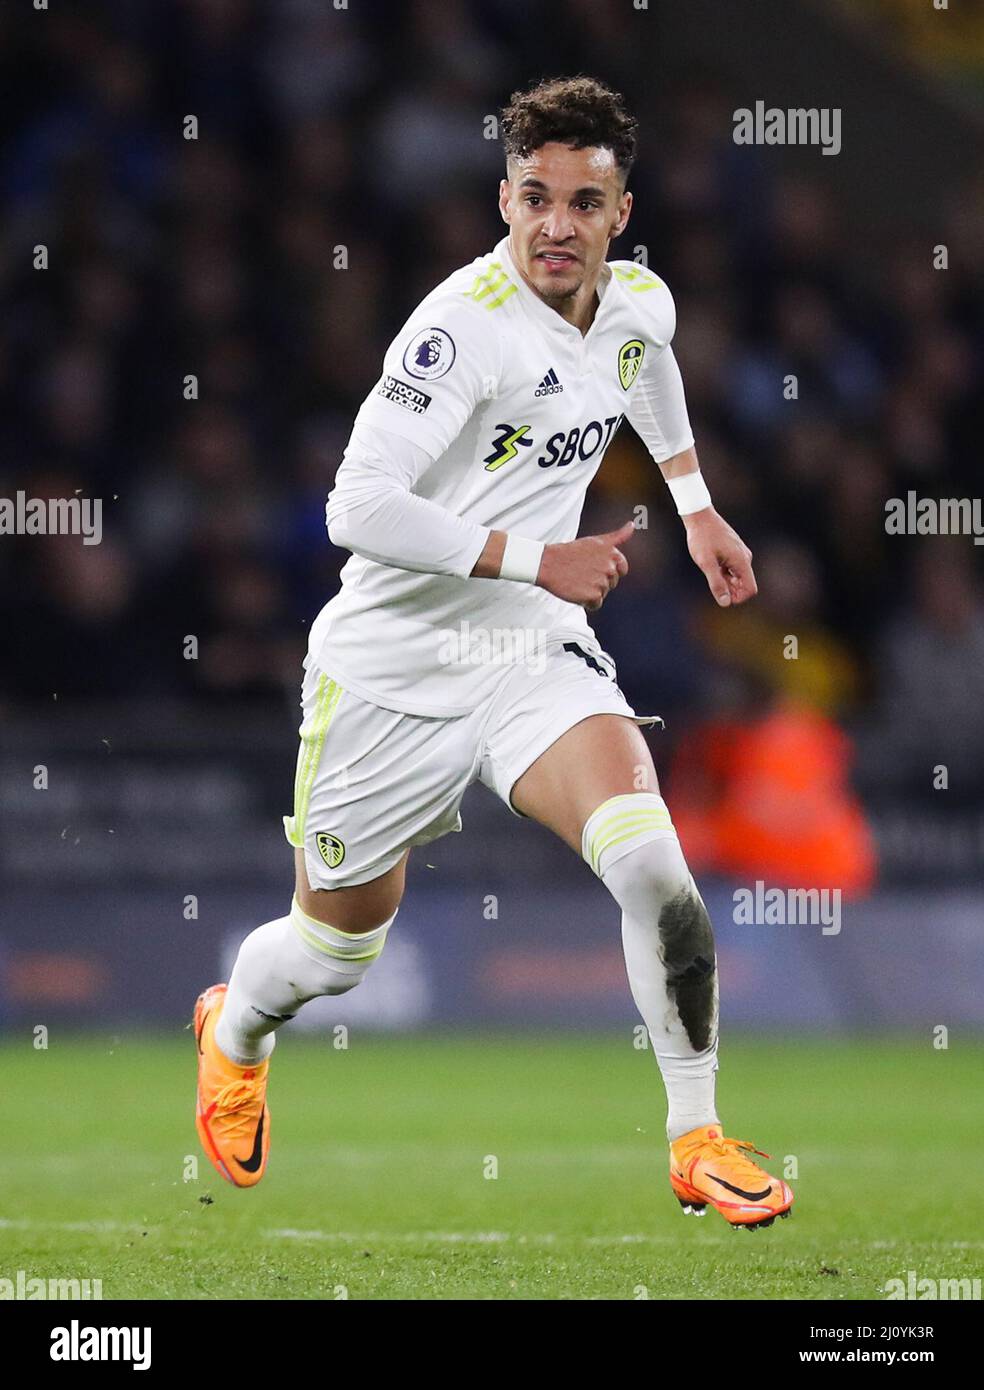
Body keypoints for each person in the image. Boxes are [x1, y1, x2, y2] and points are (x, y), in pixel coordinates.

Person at [193, 76, 793, 1229]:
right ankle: (233, 1034)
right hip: (393, 666)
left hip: (530, 651)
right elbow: (355, 506)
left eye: (583, 201)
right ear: (502, 198)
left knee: (653, 869)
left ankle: (695, 1135)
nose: (556, 225)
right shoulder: (459, 328)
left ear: (622, 213)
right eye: (534, 198)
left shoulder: (636, 303)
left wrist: (695, 503)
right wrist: (535, 555)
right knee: (331, 951)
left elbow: (646, 366)